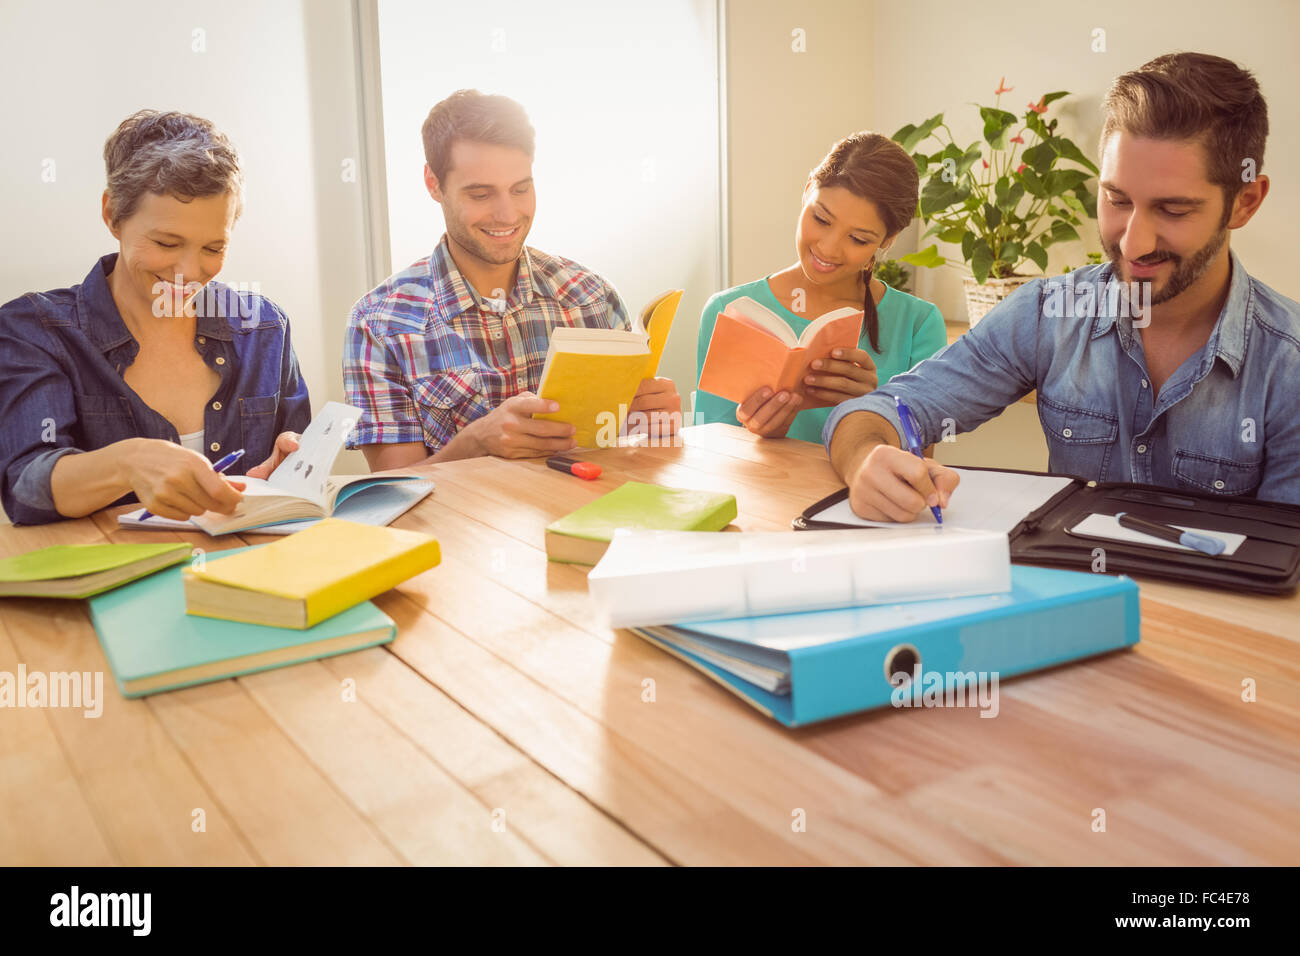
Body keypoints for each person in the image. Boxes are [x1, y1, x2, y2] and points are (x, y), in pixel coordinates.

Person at [825, 52, 1300, 517]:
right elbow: (882, 410)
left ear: (1245, 201)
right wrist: (865, 458)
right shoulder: (1048, 313)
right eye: (1117, 199)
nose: (1133, 244)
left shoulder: (1288, 363)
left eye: (1173, 210)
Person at [0, 110, 310, 526]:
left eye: (213, 248)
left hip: (250, 561)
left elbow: (293, 457)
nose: (190, 272)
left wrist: (292, 464)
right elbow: (27, 486)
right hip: (111, 565)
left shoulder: (264, 327)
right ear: (112, 214)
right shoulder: (37, 330)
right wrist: (127, 463)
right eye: (166, 243)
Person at [344, 90, 681, 470]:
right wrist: (475, 442)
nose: (507, 215)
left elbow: (630, 457)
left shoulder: (592, 297)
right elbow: (394, 490)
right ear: (433, 184)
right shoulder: (380, 323)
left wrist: (656, 425)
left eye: (521, 189)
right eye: (480, 194)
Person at [694, 131, 946, 442]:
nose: (828, 248)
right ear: (807, 192)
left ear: (887, 240)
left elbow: (922, 456)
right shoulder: (727, 311)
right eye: (822, 219)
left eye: (858, 239)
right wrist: (763, 436)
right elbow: (709, 451)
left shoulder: (918, 324)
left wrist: (874, 411)